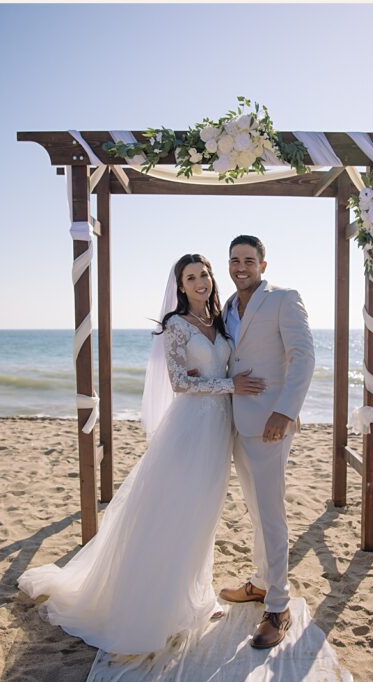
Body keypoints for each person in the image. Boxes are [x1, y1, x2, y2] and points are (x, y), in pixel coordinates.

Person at [18, 254, 266, 655]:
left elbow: (227, 366)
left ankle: (195, 596)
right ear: (180, 286)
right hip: (190, 430)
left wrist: (231, 385)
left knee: (204, 513)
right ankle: (161, 606)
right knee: (176, 512)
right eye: (191, 277)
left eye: (204, 274)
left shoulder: (219, 321)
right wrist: (229, 385)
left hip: (219, 430)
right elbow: (181, 383)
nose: (200, 282)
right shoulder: (175, 326)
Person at [215, 234, 315, 649]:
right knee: (255, 510)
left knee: (272, 515)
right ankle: (259, 582)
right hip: (237, 421)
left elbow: (304, 356)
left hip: (271, 424)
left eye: (249, 260)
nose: (242, 267)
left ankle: (278, 607)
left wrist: (285, 411)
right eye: (235, 260)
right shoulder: (227, 306)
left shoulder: (283, 298)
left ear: (263, 264)